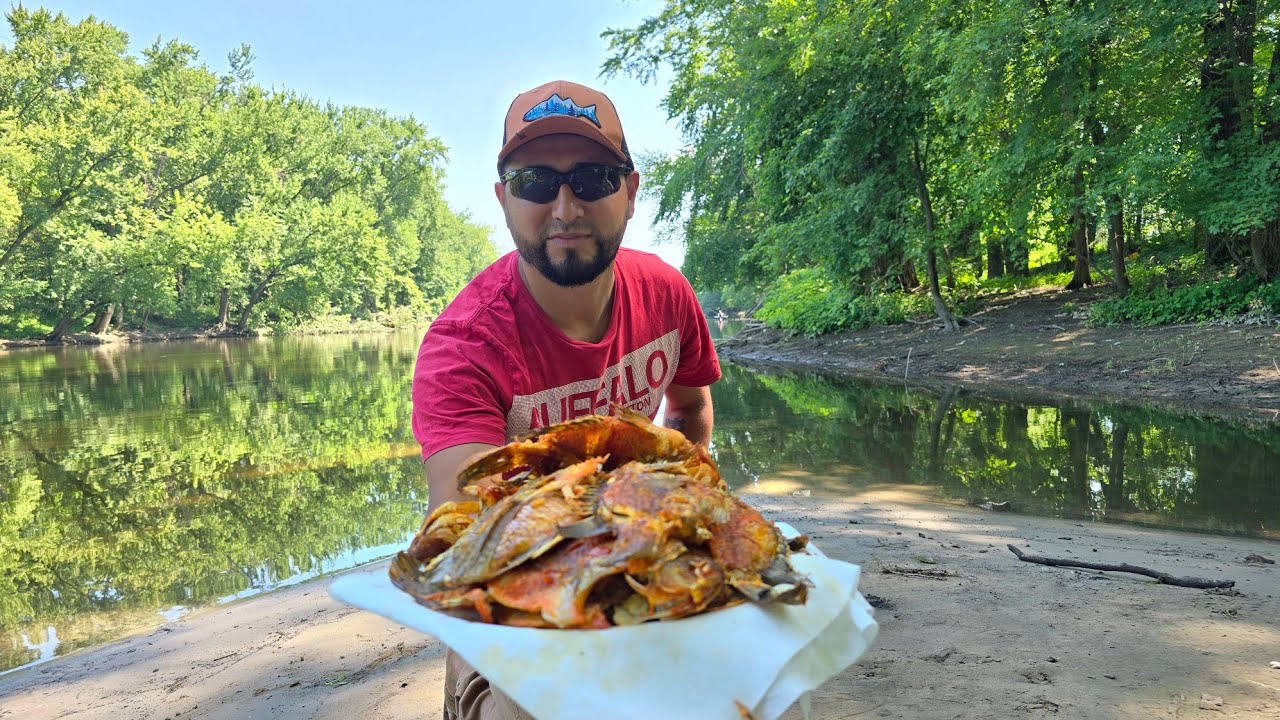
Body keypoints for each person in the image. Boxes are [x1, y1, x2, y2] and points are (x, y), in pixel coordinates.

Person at [410, 79, 722, 720]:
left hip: (643, 551)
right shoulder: (463, 347)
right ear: (502, 199)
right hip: (511, 594)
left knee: (769, 683)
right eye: (533, 182)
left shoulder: (666, 294)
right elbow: (472, 530)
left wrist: (682, 508)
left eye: (592, 178)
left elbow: (688, 410)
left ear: (631, 193)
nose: (564, 207)